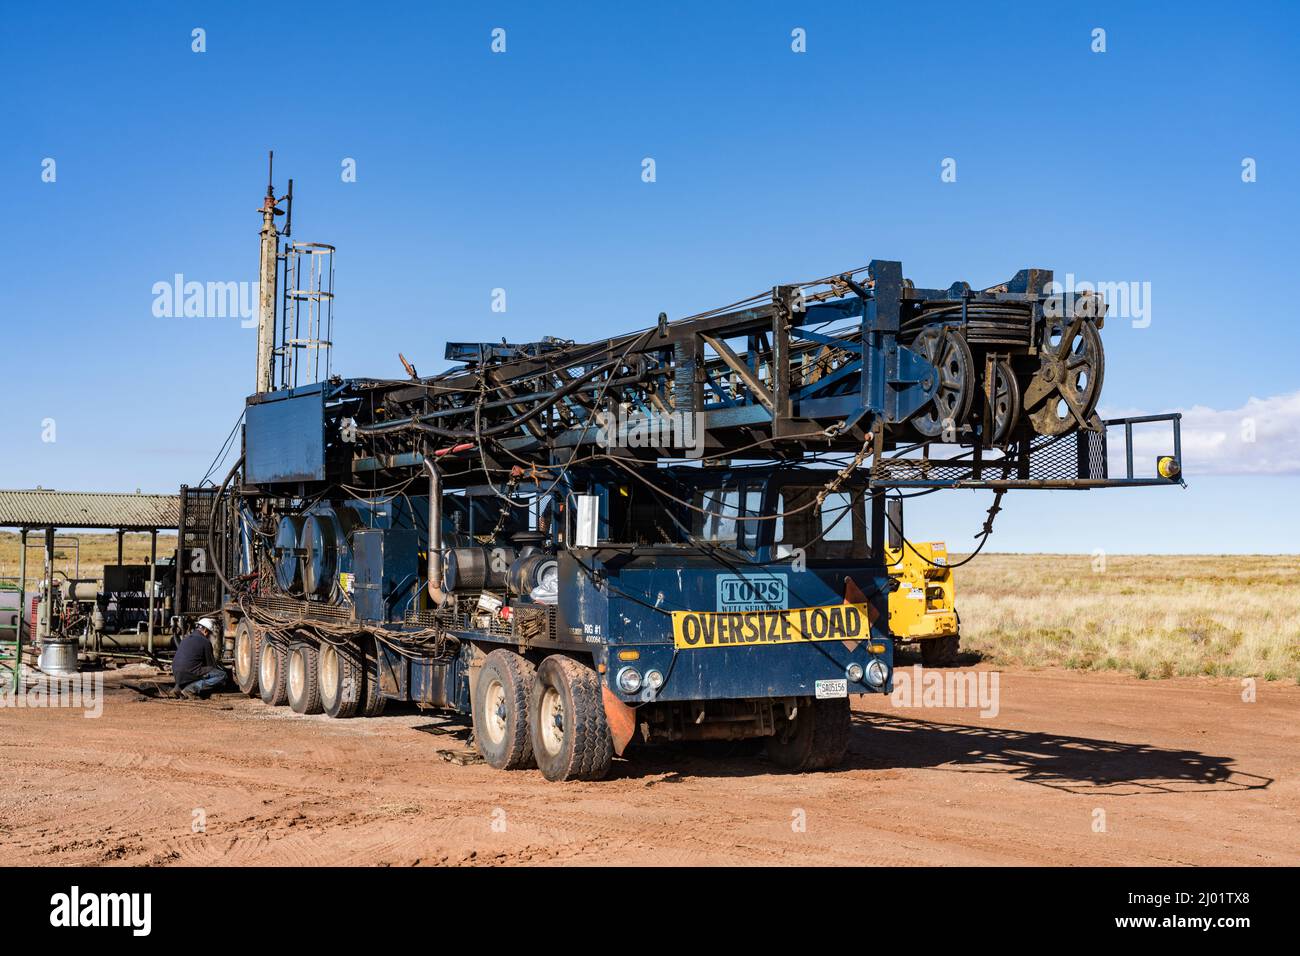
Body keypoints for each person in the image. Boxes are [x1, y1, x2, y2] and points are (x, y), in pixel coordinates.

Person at [172, 617, 227, 699]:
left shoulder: (185, 639)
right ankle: (191, 689)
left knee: (195, 670)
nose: (209, 636)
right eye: (209, 634)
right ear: (205, 631)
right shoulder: (205, 642)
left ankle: (179, 688)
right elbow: (211, 665)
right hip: (190, 672)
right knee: (222, 675)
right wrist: (222, 668)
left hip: (176, 673)